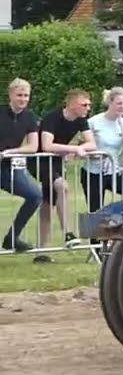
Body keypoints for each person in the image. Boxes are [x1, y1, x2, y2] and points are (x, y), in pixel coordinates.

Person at [32, 89, 96, 259]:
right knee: (63, 187)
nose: (88, 108)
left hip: (56, 161)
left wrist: (78, 148)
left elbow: (92, 144)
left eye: (89, 104)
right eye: (84, 104)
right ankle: (68, 233)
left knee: (48, 203)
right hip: (40, 159)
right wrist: (75, 149)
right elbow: (47, 145)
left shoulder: (82, 120)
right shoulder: (52, 118)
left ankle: (40, 251)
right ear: (72, 104)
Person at [83, 87, 123, 214]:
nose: (122, 107)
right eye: (119, 103)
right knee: (96, 211)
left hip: (114, 172)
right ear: (110, 103)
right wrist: (94, 155)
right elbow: (83, 146)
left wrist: (122, 125)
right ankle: (97, 232)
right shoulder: (93, 122)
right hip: (93, 173)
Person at [0, 78, 43, 253]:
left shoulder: (30, 117)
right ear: (10, 95)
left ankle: (12, 238)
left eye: (26, 96)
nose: (23, 99)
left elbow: (32, 146)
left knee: (35, 196)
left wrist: (9, 153)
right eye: (19, 95)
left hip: (9, 167)